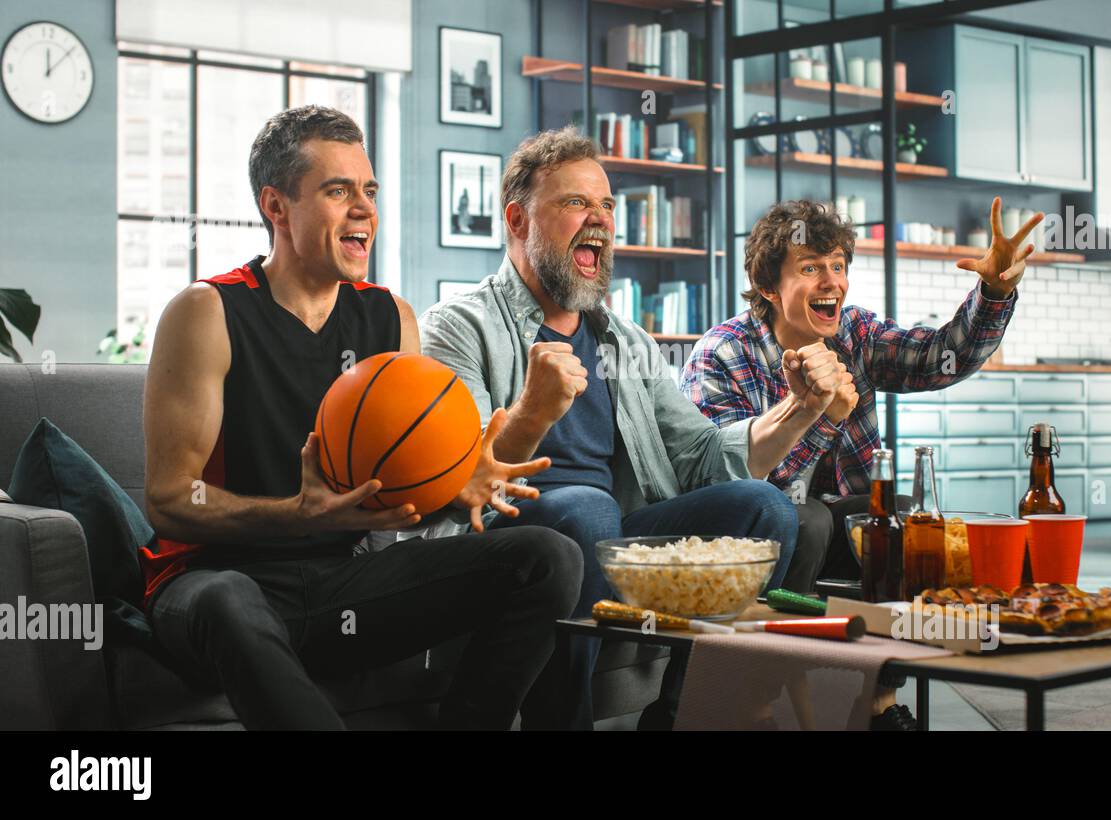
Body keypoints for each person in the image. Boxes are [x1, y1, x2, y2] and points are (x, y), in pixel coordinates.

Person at [141, 105, 582, 731]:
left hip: (341, 588)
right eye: (337, 190)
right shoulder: (206, 311)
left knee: (548, 556)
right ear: (276, 206)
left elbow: (399, 501)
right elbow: (166, 500)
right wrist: (295, 515)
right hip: (216, 579)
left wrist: (456, 485)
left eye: (369, 191)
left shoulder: (390, 319)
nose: (364, 210)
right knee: (229, 598)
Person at [420, 126, 828, 731]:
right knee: (587, 509)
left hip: (611, 538)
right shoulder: (458, 327)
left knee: (764, 508)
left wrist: (801, 409)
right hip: (511, 545)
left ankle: (683, 716)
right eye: (576, 203)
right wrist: (533, 411)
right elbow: (466, 481)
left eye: (607, 205)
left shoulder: (625, 341)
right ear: (517, 219)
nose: (601, 221)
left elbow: (702, 458)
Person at [680, 198, 1039, 729]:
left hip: (842, 523)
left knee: (901, 517)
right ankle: (754, 704)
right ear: (768, 287)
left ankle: (877, 703)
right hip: (767, 527)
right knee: (807, 517)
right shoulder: (723, 355)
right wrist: (822, 414)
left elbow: (943, 356)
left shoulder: (857, 334)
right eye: (810, 268)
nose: (831, 282)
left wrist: (995, 292)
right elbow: (738, 482)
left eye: (838, 266)